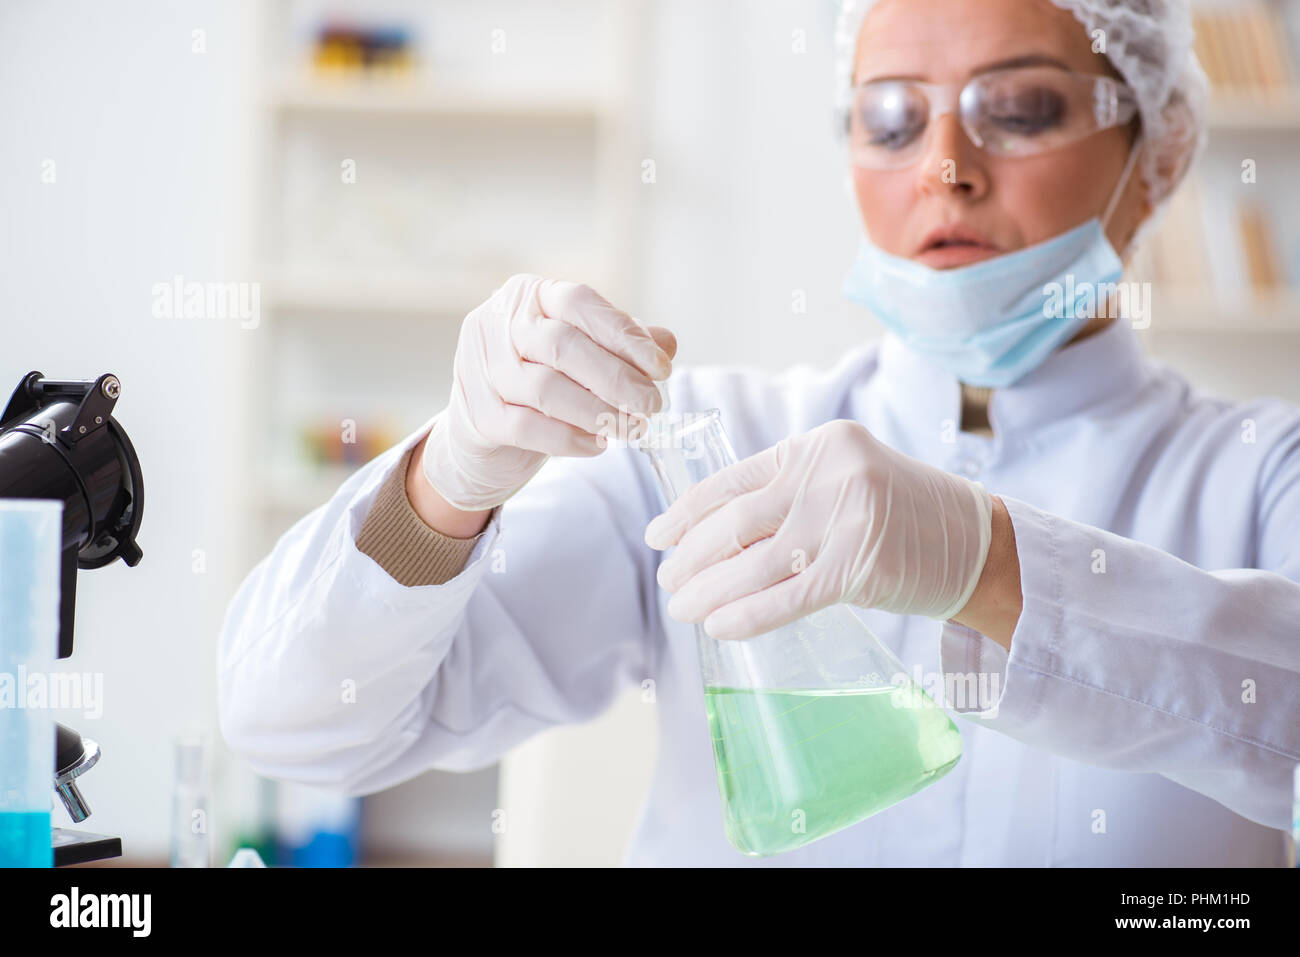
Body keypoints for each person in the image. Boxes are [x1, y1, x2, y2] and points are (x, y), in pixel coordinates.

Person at [218, 0, 1300, 866]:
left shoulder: (1260, 474)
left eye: (1017, 108)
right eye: (889, 118)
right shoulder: (708, 444)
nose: (944, 167)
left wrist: (991, 561)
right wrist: (449, 482)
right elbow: (300, 726)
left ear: (1157, 150)